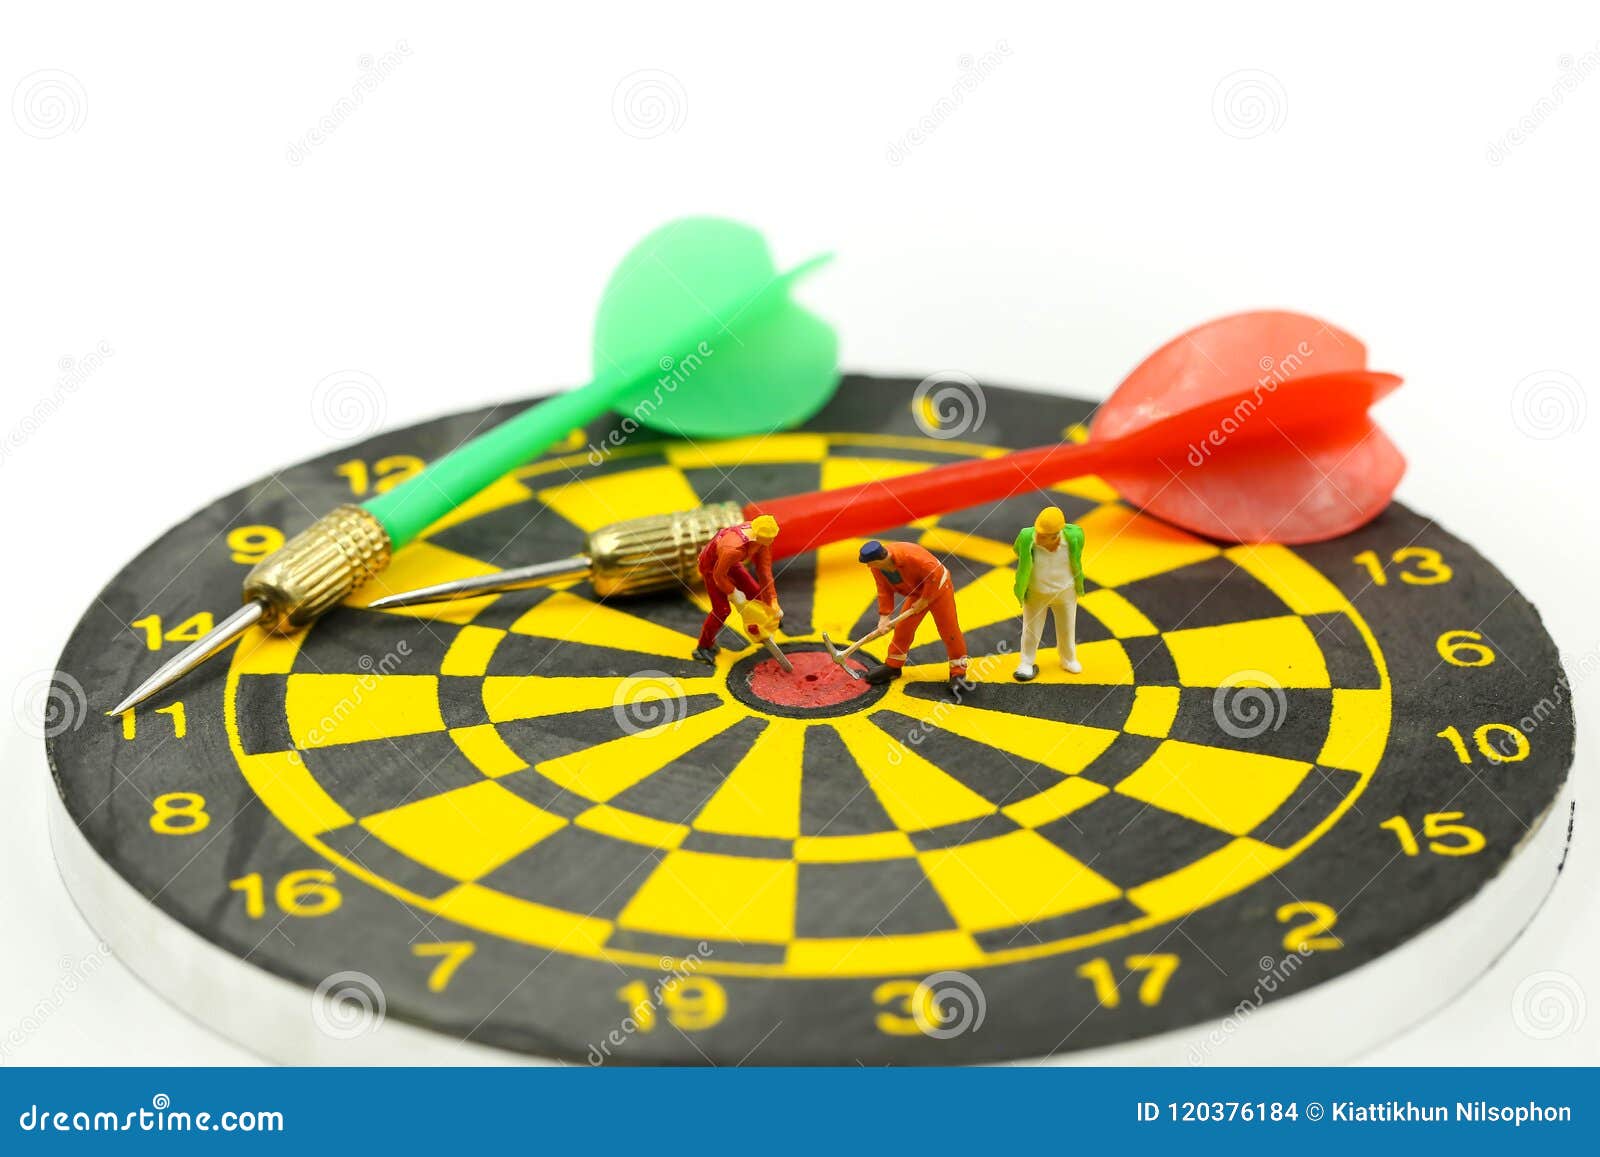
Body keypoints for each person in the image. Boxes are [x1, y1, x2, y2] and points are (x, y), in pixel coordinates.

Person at [857, 539, 968, 685]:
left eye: (869, 563)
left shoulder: (913, 557)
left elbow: (936, 574)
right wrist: (885, 616)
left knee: (949, 630)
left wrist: (925, 600)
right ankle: (893, 666)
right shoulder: (877, 568)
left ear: (879, 559)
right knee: (903, 628)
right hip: (916, 593)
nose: (868, 566)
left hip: (940, 590)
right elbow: (883, 590)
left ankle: (958, 671)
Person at [694, 515, 781, 663]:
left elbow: (764, 571)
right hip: (711, 568)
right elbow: (718, 575)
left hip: (731, 563)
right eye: (768, 539)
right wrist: (733, 593)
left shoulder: (764, 540)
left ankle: (765, 621)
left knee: (756, 593)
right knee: (722, 610)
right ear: (756, 535)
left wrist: (772, 601)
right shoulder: (732, 549)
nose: (770, 542)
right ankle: (704, 646)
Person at [1012, 505, 1085, 680]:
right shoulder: (1026, 537)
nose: (1038, 537)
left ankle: (1068, 659)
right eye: (1037, 532)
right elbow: (1017, 551)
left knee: (1067, 627)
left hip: (1066, 592)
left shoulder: (1074, 536)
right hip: (1036, 594)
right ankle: (1026, 662)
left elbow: (1078, 553)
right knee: (1031, 630)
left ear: (1056, 535)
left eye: (1043, 536)